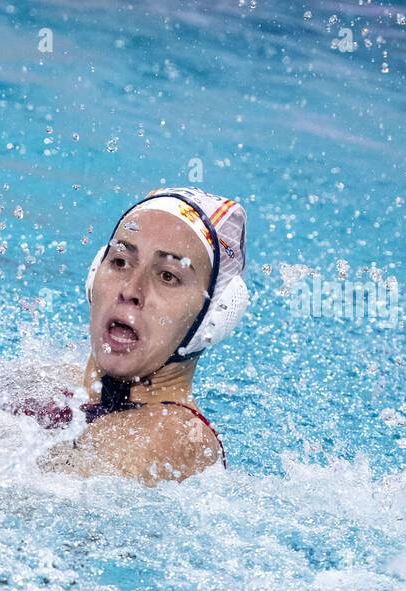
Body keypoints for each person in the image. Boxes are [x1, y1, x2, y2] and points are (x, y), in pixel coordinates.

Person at [31, 187, 249, 483]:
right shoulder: (50, 383)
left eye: (168, 276)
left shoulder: (174, 436)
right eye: (120, 262)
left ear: (214, 314)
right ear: (94, 273)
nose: (131, 290)